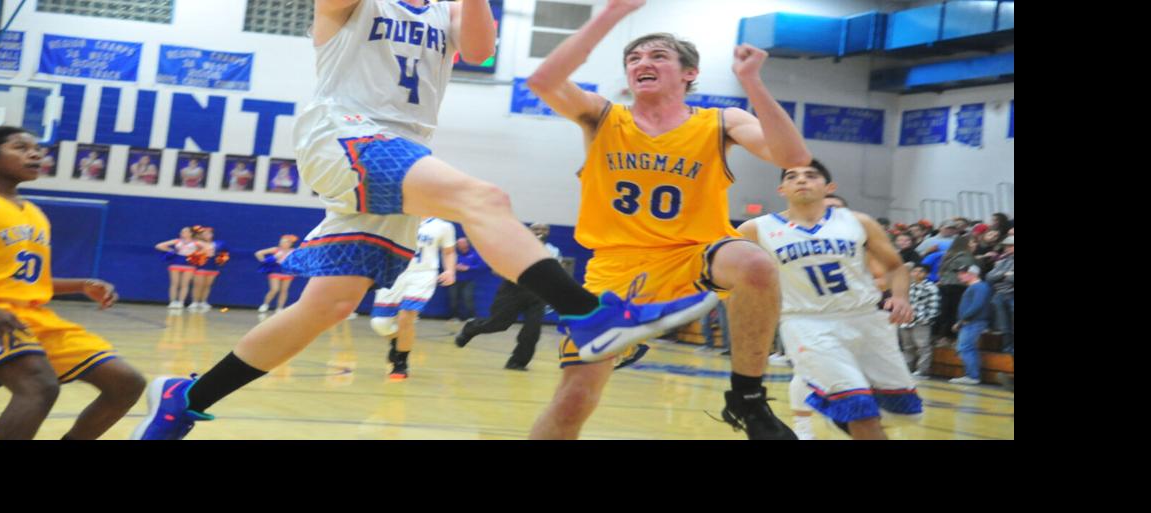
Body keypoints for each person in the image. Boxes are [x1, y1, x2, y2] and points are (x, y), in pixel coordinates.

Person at [132, 0, 715, 440]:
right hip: (344, 132)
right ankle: (588, 316)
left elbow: (483, 49)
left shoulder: (444, 11)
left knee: (328, 305)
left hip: (403, 152)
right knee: (482, 197)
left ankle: (183, 399)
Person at [524, 0, 814, 439]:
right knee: (573, 401)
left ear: (689, 73)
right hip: (617, 269)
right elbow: (544, 80)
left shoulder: (720, 122)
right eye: (634, 58)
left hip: (693, 254)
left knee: (755, 263)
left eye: (658, 55)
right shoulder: (603, 116)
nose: (643, 62)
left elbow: (793, 157)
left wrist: (751, 82)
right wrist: (610, 15)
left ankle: (748, 398)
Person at [0, 126, 148, 439]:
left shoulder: (34, 212)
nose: (36, 154)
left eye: (38, 148)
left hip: (30, 315)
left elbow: (24, 281)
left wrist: (81, 284)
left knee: (125, 382)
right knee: (38, 386)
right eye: (21, 147)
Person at [744, 160, 919, 441]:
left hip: (865, 319)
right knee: (859, 409)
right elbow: (724, 265)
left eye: (811, 176)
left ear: (828, 187)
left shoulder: (857, 221)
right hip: (807, 322)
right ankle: (812, 423)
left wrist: (900, 297)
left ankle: (836, 414)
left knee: (895, 412)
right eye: (792, 176)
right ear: (781, 188)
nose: (801, 180)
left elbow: (896, 266)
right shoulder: (757, 228)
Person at [454, 222, 557, 370]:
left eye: (544, 229)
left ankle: (517, 362)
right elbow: (496, 270)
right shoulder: (515, 247)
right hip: (512, 290)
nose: (540, 231)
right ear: (529, 231)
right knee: (498, 324)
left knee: (532, 332)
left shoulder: (552, 251)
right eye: (536, 229)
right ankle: (470, 329)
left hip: (537, 293)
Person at [370, 216, 457, 380]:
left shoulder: (443, 226)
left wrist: (450, 270)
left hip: (423, 275)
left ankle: (401, 363)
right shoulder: (396, 218)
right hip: (394, 272)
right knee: (379, 324)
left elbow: (449, 251)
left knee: (406, 317)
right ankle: (397, 342)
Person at [950, 263, 992, 386]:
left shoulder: (980, 287)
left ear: (973, 274)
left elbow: (977, 305)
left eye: (962, 273)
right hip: (970, 322)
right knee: (967, 348)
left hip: (974, 322)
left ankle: (972, 376)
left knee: (965, 348)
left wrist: (962, 320)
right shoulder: (976, 287)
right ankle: (971, 375)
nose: (959, 276)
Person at [155, 227, 200, 311]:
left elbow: (207, 249)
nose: (182, 233)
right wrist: (172, 250)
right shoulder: (177, 241)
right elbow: (158, 246)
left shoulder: (196, 243)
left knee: (184, 284)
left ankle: (181, 302)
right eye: (182, 231)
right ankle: (172, 302)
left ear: (191, 233)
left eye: (185, 231)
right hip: (176, 263)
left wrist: (196, 254)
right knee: (174, 283)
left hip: (189, 265)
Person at [256, 235, 301, 314]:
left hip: (287, 271)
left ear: (291, 243)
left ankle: (280, 307)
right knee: (274, 289)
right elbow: (258, 253)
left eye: (285, 241)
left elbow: (299, 260)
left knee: (284, 290)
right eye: (282, 241)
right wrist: (265, 262)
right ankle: (265, 304)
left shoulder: (293, 251)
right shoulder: (276, 249)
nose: (282, 243)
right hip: (276, 270)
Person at [186, 226, 227, 311]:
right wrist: (201, 252)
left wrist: (221, 258)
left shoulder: (217, 243)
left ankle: (203, 301)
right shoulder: (197, 243)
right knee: (198, 285)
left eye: (210, 233)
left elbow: (223, 254)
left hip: (212, 266)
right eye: (205, 234)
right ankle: (195, 302)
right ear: (201, 235)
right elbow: (191, 253)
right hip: (201, 265)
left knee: (207, 285)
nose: (208, 235)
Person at [448, 236, 486, 321]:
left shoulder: (475, 254)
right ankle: (454, 317)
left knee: (468, 298)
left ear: (467, 244)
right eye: (458, 243)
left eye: (461, 243)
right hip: (454, 281)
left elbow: (481, 266)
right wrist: (453, 267)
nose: (459, 245)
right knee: (453, 299)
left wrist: (468, 268)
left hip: (468, 281)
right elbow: (446, 264)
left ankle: (471, 317)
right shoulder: (453, 254)